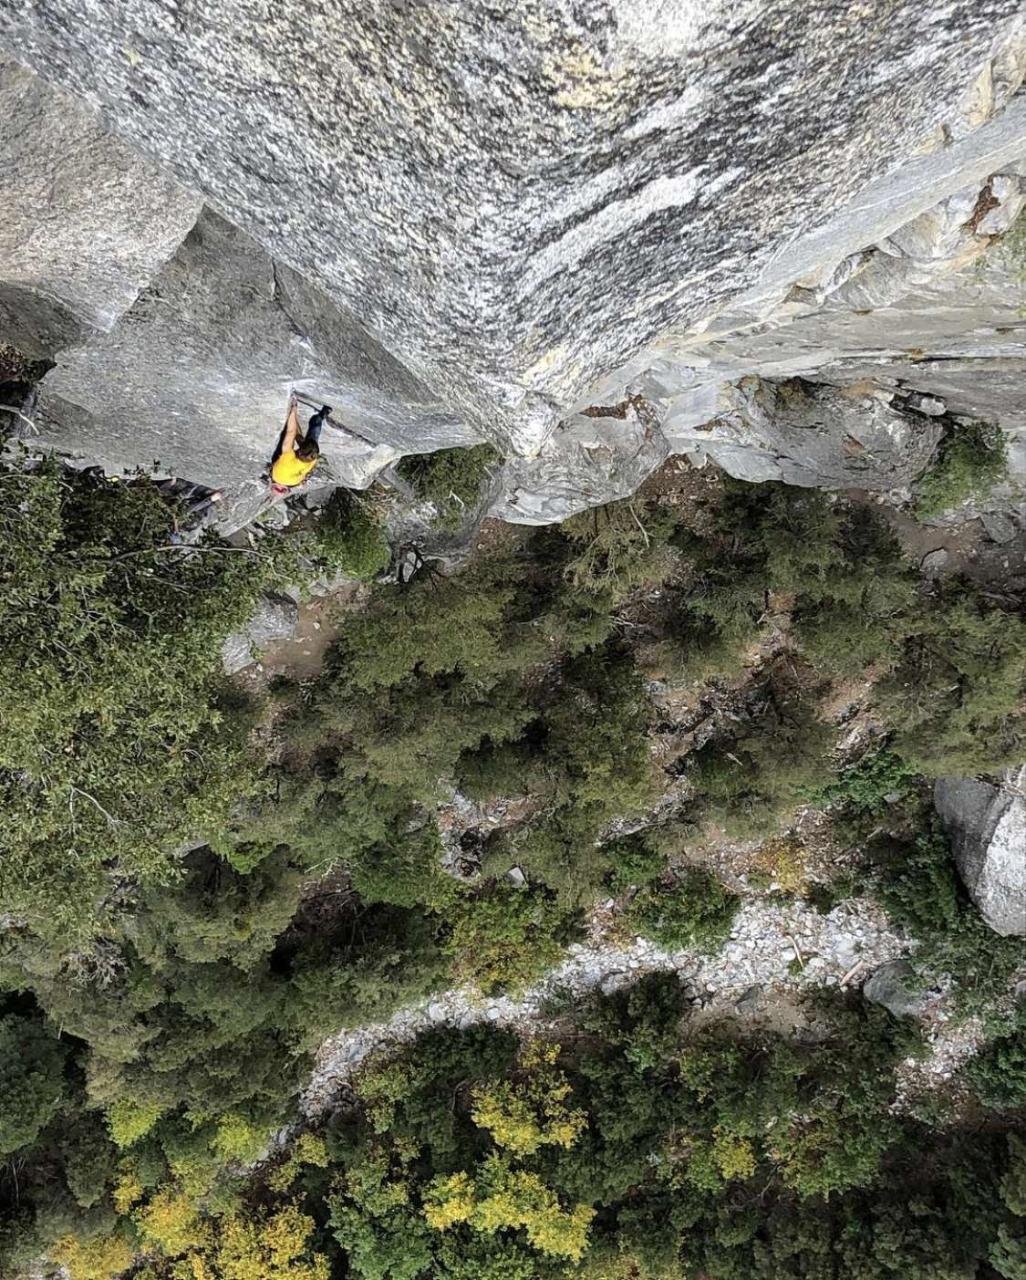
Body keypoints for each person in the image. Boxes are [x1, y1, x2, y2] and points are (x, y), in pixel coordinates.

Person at [269, 395, 331, 492]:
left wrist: (293, 411)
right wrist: (294, 409)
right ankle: (318, 418)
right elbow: (290, 432)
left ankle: (321, 415)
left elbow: (303, 474)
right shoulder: (281, 466)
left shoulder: (307, 463)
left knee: (313, 431)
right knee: (299, 433)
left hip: (309, 456)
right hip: (305, 456)